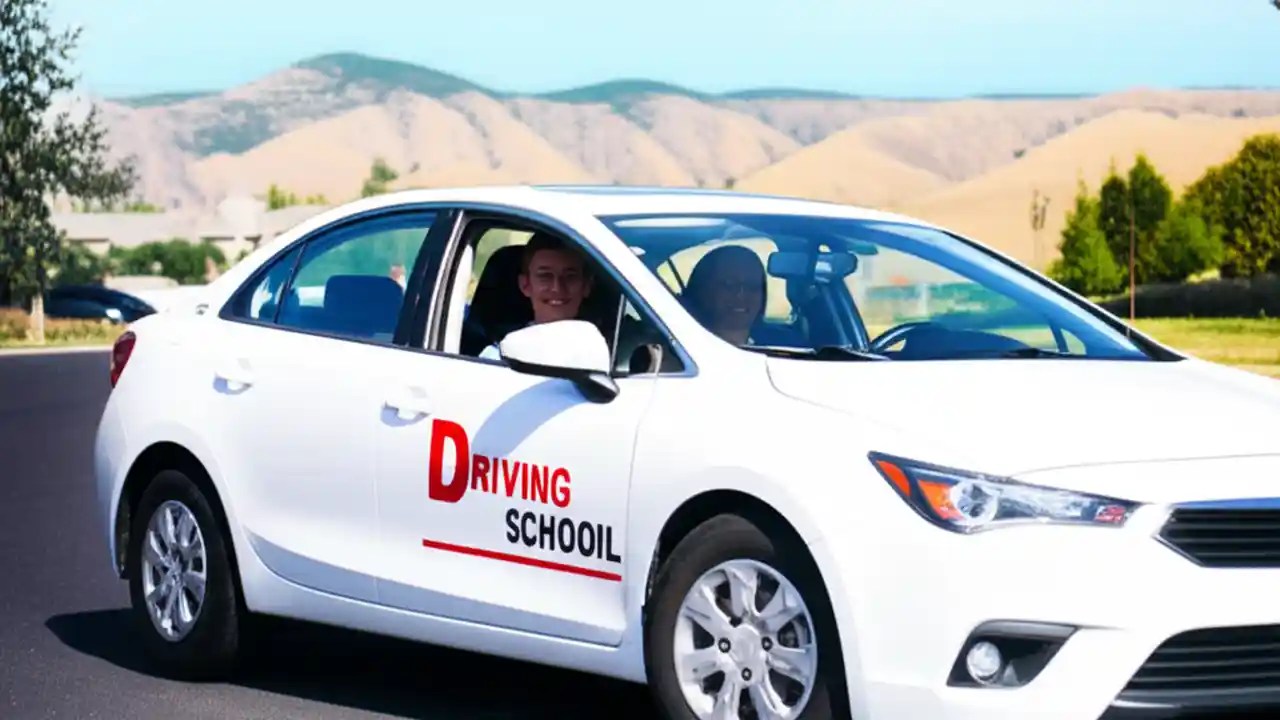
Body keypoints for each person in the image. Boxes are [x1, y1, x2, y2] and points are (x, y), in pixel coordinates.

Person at [479, 233, 594, 360]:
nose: (557, 288)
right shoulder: (497, 358)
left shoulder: (609, 357)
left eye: (570, 276)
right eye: (545, 276)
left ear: (586, 286)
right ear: (525, 285)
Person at [682, 244, 766, 346]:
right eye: (729, 284)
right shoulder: (680, 352)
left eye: (751, 286)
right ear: (702, 290)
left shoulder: (779, 354)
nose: (740, 295)